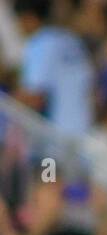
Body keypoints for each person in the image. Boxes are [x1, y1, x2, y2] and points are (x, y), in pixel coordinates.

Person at [14, 0, 94, 136]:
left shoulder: (40, 43)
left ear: (29, 18)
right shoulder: (72, 40)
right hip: (83, 135)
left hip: (56, 140)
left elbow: (34, 97)